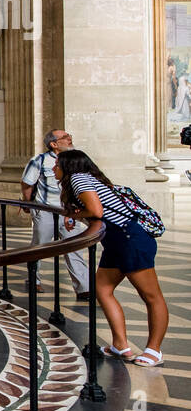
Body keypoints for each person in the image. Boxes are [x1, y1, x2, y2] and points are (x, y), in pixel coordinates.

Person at [56, 149, 167, 367]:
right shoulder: (85, 179)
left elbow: (96, 211)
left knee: (151, 296)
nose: (54, 168)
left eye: (57, 165)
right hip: (117, 241)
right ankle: (120, 344)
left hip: (130, 238)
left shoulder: (78, 178)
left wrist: (75, 215)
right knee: (102, 289)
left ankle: (154, 350)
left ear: (68, 166)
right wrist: (75, 214)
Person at [20, 129, 89, 299]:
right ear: (54, 144)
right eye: (65, 137)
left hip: (69, 211)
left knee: (74, 247)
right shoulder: (40, 160)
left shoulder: (76, 159)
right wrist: (28, 203)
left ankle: (84, 288)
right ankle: (33, 279)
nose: (70, 138)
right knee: (39, 246)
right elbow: (27, 183)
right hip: (45, 209)